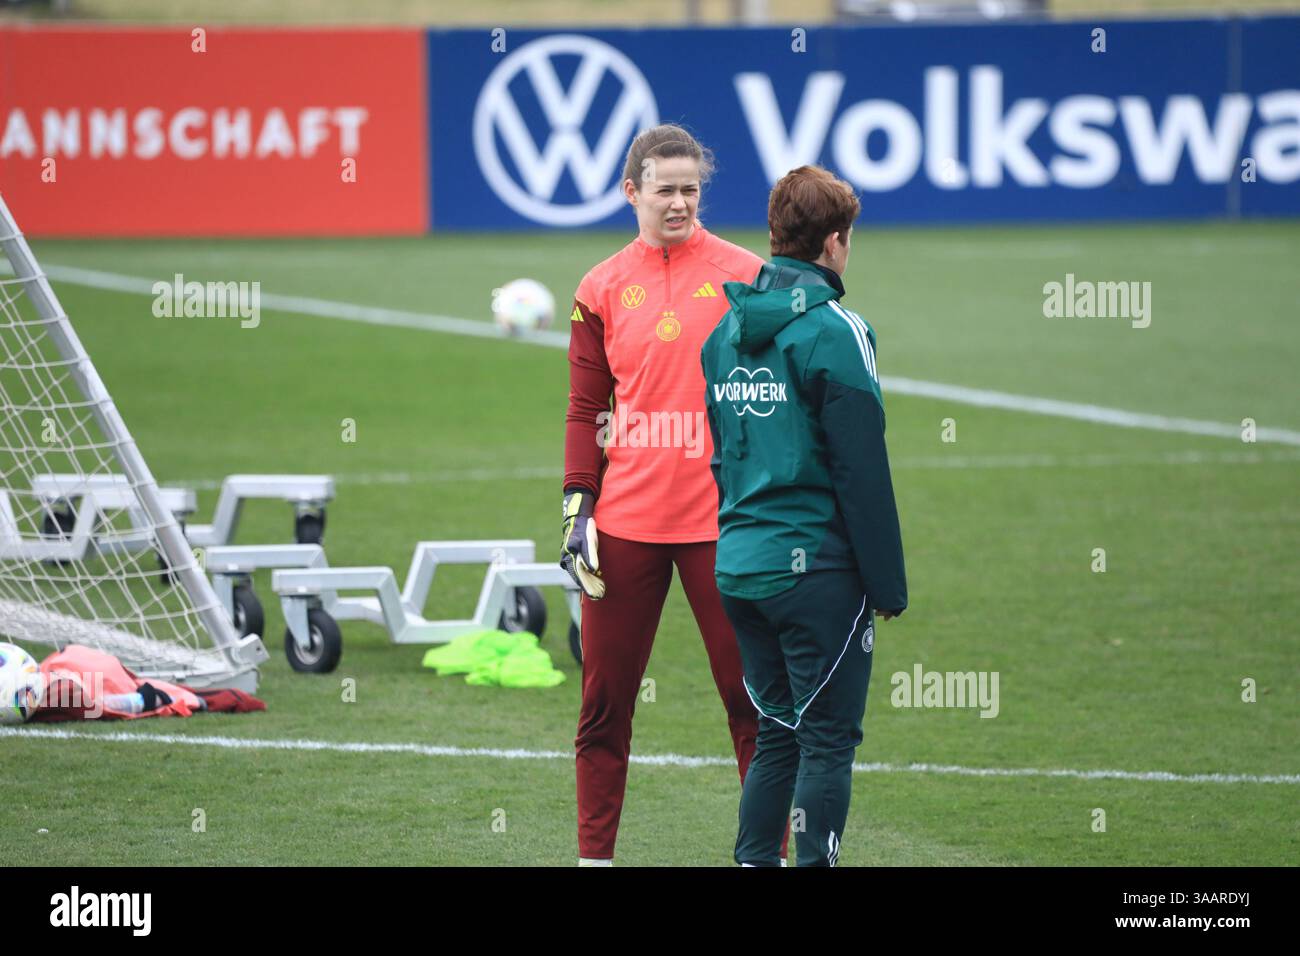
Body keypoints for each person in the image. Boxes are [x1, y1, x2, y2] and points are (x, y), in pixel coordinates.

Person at [561, 124, 773, 866]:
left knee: (753, 704)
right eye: (666, 189)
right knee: (603, 708)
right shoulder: (600, 286)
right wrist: (576, 507)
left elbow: (775, 397)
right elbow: (586, 408)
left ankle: (766, 856)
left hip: (727, 524)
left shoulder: (750, 276)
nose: (680, 202)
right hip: (624, 527)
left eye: (691, 189)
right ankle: (595, 861)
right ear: (632, 192)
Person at [701, 165, 908, 867]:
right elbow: (861, 472)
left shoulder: (722, 336)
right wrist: (888, 586)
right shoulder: (838, 331)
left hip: (739, 566)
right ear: (836, 243)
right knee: (824, 741)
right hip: (815, 572)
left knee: (780, 734)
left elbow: (723, 461)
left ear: (773, 235)